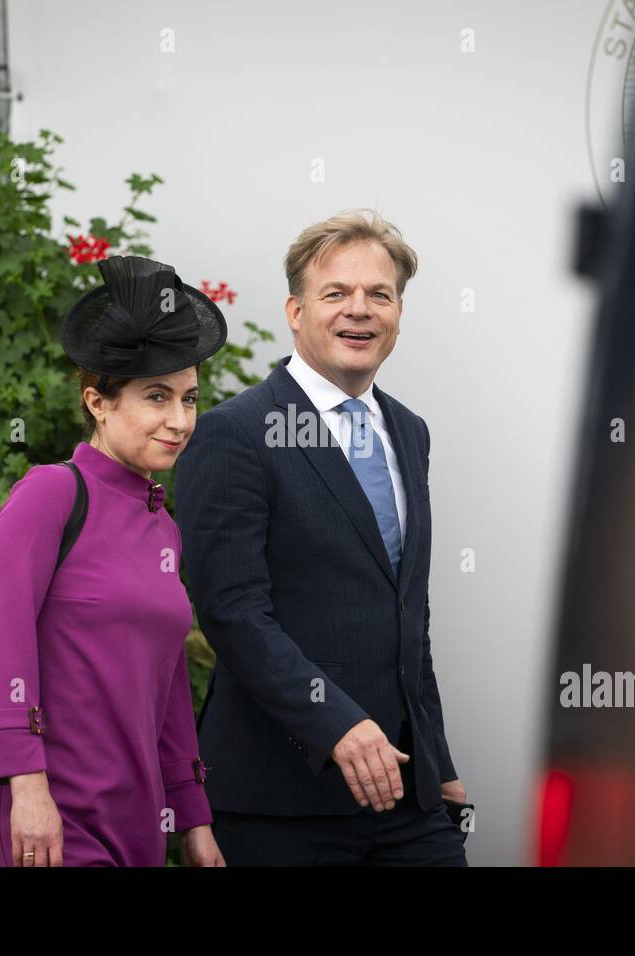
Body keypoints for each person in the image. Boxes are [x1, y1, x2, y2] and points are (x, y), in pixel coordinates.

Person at [175, 209, 468, 865]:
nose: (358, 311)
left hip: (409, 802)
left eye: (379, 294)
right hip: (280, 806)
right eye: (335, 293)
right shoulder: (235, 434)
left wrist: (438, 764)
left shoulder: (410, 431)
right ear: (296, 310)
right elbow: (232, 613)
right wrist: (336, 724)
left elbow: (407, 618)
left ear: (397, 312)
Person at [0, 255, 227, 867]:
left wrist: (192, 820)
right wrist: (27, 789)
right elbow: (2, 641)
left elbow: (167, 689)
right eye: (157, 397)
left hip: (137, 822)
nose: (178, 420)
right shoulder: (52, 493)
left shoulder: (163, 526)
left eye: (190, 399)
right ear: (98, 401)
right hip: (51, 820)